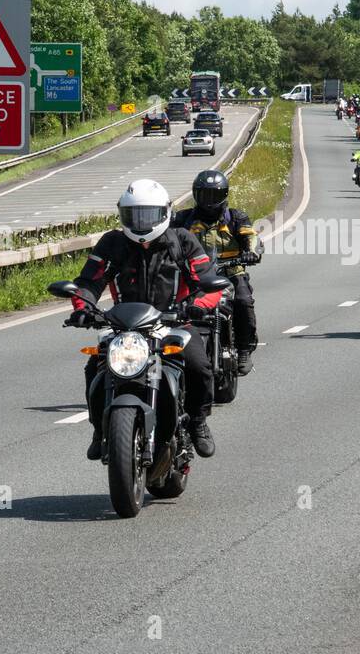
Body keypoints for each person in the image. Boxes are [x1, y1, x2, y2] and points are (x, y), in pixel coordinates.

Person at [68, 179, 220, 460]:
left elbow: (209, 281)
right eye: (134, 215)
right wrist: (82, 308)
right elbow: (89, 282)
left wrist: (198, 306)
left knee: (199, 366)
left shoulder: (182, 240)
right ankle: (100, 429)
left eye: (148, 214)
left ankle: (199, 421)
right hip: (123, 327)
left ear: (164, 213)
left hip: (174, 323)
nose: (141, 222)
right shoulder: (113, 243)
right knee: (95, 368)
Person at [173, 170, 262, 376]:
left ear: (224, 195)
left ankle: (243, 349)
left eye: (214, 195)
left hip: (230, 272)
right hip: (194, 276)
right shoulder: (183, 220)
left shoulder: (235, 217)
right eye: (204, 195)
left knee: (243, 300)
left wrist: (251, 252)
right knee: (175, 305)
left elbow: (252, 237)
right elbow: (168, 239)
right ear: (196, 195)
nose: (209, 201)